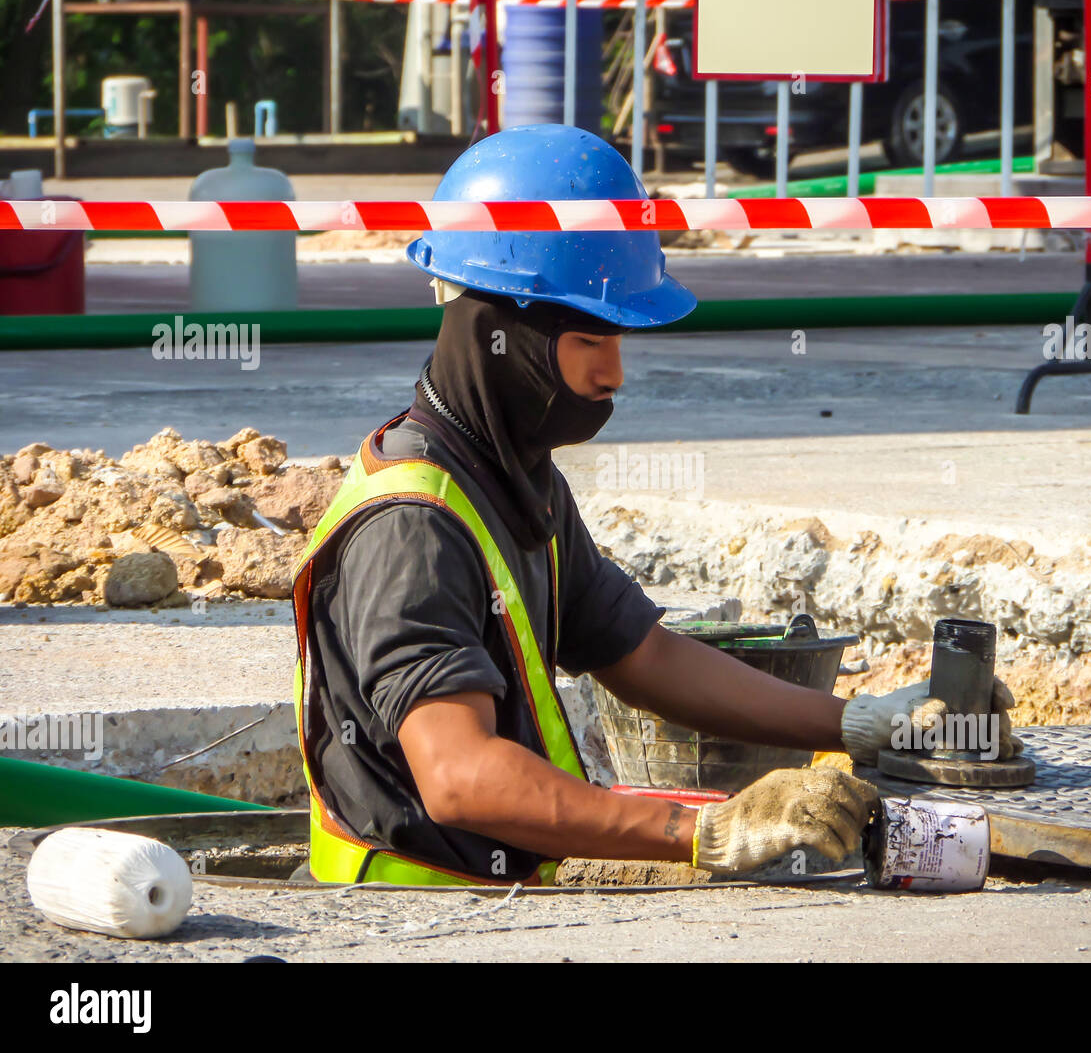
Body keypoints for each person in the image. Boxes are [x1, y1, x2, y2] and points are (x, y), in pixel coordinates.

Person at [290, 124, 1020, 886]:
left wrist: (861, 723)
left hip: (490, 910)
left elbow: (643, 654)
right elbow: (461, 775)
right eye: (589, 342)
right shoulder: (414, 523)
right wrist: (705, 830)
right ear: (497, 331)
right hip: (404, 925)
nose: (614, 375)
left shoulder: (510, 478)